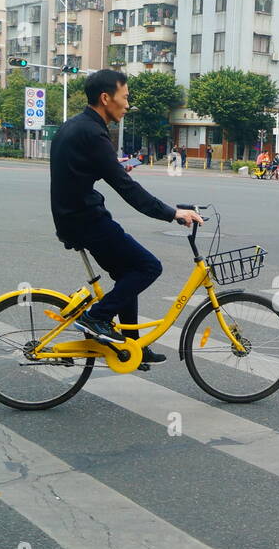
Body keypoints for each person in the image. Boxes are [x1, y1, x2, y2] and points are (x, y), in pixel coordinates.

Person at [50, 69, 203, 367]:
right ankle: (96, 318)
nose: (127, 104)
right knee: (148, 266)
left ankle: (132, 344)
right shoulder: (93, 132)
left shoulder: (78, 126)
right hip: (85, 220)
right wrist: (173, 213)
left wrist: (113, 165)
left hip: (74, 216)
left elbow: (80, 168)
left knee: (128, 272)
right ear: (106, 98)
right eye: (125, 97)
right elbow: (128, 190)